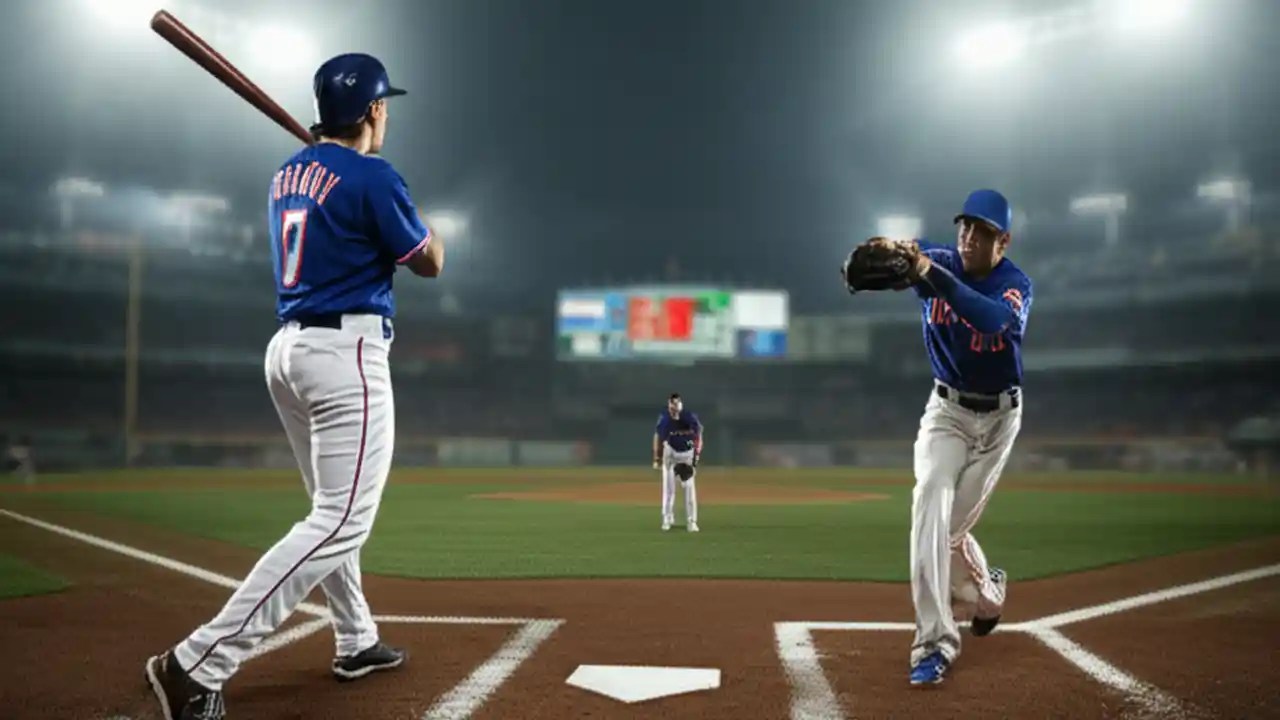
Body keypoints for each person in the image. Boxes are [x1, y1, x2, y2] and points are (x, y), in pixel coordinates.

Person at [145, 53, 445, 720]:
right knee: (340, 519)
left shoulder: (290, 173)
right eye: (384, 104)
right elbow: (429, 262)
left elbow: (335, 199)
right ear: (371, 111)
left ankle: (355, 637)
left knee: (328, 511)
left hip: (289, 352)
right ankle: (198, 662)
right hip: (346, 356)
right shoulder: (373, 176)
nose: (387, 113)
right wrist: (413, 212)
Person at [901, 189, 1033, 686]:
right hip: (946, 414)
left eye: (981, 231)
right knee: (929, 503)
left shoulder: (1015, 284)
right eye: (964, 227)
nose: (967, 237)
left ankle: (987, 587)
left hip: (998, 422)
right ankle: (933, 644)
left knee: (949, 530)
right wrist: (899, 254)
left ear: (1003, 240)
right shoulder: (939, 258)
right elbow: (910, 257)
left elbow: (993, 319)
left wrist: (930, 274)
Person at [653, 393, 702, 532]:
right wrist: (657, 457)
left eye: (676, 403)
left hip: (687, 454)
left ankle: (691, 521)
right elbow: (659, 437)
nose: (674, 406)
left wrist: (696, 458)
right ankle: (667, 518)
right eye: (671, 404)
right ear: (668, 405)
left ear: (680, 404)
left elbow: (698, 436)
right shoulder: (665, 420)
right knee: (669, 489)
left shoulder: (689, 418)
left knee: (689, 488)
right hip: (671, 454)